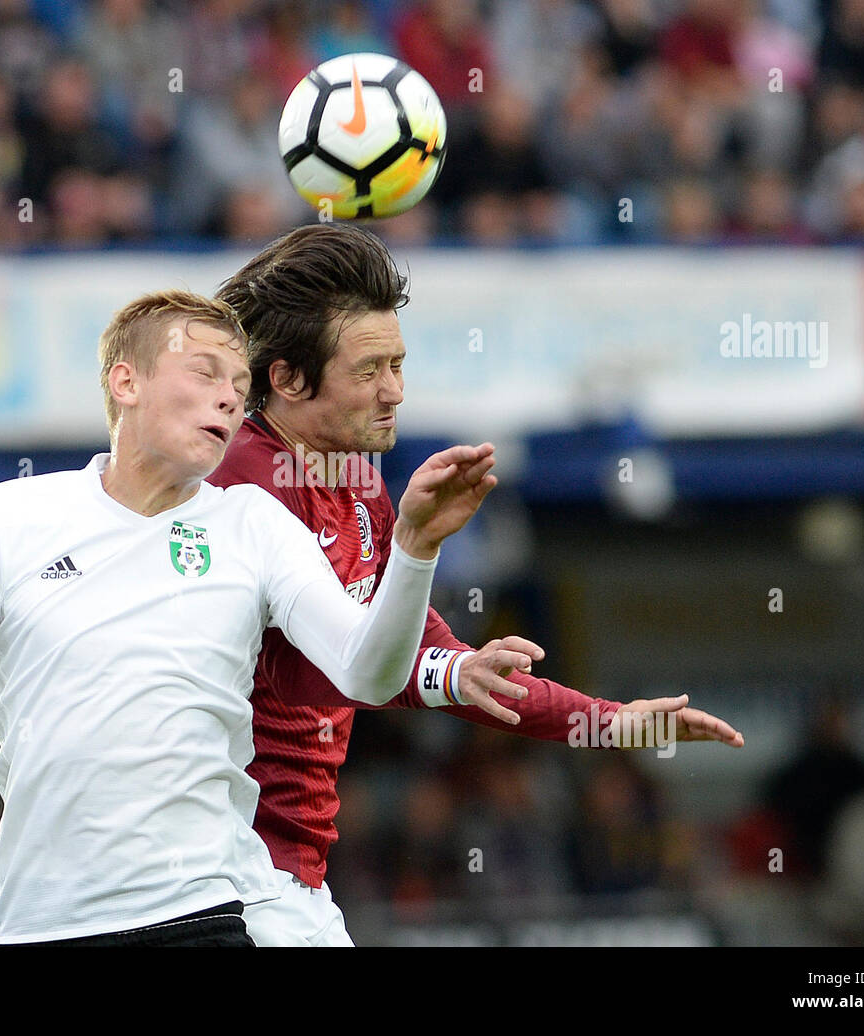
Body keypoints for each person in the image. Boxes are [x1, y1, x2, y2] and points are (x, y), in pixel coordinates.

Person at [0, 289, 512, 947]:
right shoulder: (8, 518)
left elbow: (365, 673)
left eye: (239, 384)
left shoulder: (254, 526)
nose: (229, 397)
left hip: (201, 915)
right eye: (204, 373)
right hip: (41, 925)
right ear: (126, 380)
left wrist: (415, 548)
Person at [208, 224, 745, 946]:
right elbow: (335, 666)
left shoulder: (357, 481)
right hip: (225, 874)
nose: (394, 392)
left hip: (289, 877)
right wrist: (435, 629)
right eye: (369, 370)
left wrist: (602, 719)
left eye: (398, 364)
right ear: (287, 379)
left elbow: (413, 654)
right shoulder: (235, 486)